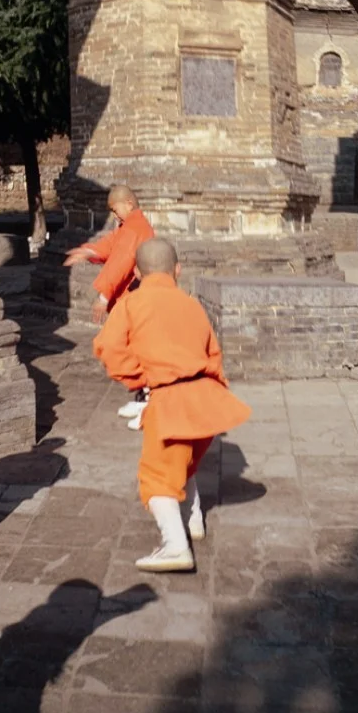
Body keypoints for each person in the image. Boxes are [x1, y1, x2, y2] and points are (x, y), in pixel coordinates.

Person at [93, 238, 253, 573]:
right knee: (183, 465)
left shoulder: (131, 303)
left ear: (136, 272)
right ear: (177, 270)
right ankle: (193, 521)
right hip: (208, 399)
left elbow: (108, 347)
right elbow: (214, 353)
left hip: (171, 399)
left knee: (155, 478)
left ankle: (175, 546)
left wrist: (139, 378)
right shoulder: (191, 303)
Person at [63, 185, 156, 428]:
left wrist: (103, 297)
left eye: (116, 210)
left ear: (129, 204)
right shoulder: (130, 226)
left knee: (127, 346)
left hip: (136, 297)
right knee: (131, 345)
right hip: (133, 297)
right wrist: (88, 251)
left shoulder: (135, 228)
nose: (115, 215)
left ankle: (149, 398)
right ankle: (143, 394)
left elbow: (121, 262)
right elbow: (111, 245)